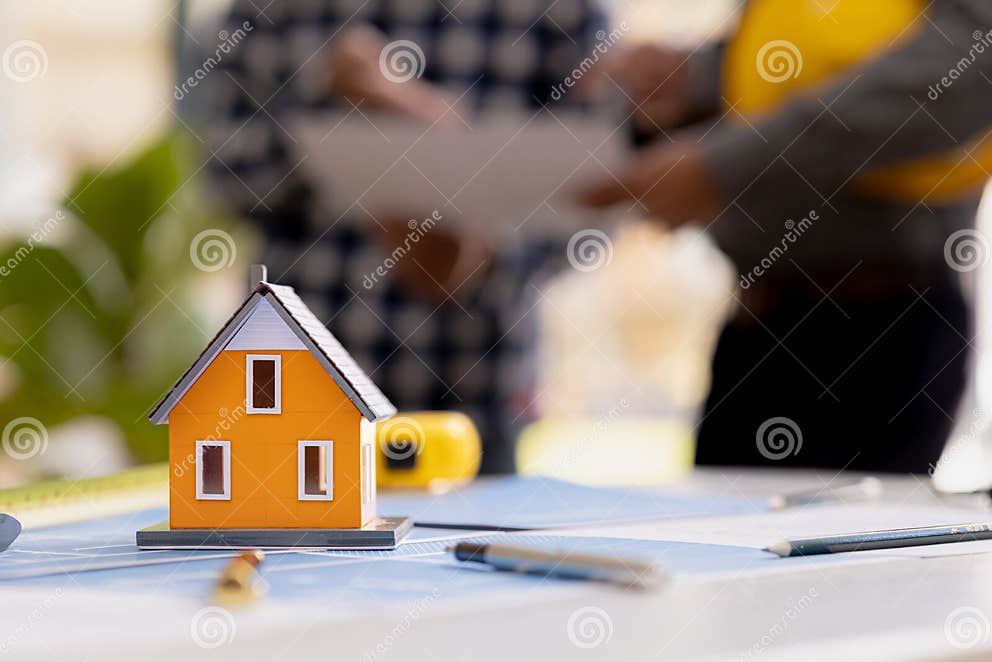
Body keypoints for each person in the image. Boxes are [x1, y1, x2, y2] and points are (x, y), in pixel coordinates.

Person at [198, 0, 608, 473]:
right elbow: (224, 172)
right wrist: (326, 103)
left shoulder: (564, 10)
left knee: (471, 541)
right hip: (303, 379)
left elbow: (603, 187)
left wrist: (485, 259)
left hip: (476, 392)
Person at [582, 0, 992, 472]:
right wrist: (694, 77)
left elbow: (959, 75)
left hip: (882, 338)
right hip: (759, 324)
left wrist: (725, 165)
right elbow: (795, 64)